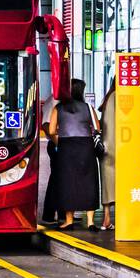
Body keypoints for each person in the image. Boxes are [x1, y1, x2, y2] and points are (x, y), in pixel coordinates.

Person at [47, 78, 100, 230]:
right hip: (86, 146)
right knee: (89, 181)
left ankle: (69, 221)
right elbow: (97, 127)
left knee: (67, 182)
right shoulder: (87, 107)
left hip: (67, 147)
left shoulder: (59, 108)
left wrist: (60, 142)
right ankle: (90, 222)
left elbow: (51, 131)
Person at [97, 78, 116, 230]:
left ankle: (106, 219)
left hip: (106, 147)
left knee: (107, 184)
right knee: (122, 184)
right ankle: (123, 220)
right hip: (121, 147)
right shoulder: (120, 97)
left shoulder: (108, 98)